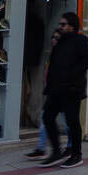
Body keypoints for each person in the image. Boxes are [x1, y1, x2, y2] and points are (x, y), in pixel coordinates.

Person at [39, 12, 88, 168]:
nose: (60, 27)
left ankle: (76, 154)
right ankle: (56, 151)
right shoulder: (60, 41)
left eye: (63, 24)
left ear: (72, 26)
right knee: (48, 117)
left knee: (72, 122)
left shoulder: (81, 41)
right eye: (60, 24)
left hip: (71, 89)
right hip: (56, 89)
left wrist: (72, 75)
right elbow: (54, 63)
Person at [26, 28, 67, 159]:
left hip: (62, 94)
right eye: (53, 37)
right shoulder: (53, 54)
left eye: (57, 37)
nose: (53, 40)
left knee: (68, 123)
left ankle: (69, 147)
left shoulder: (64, 55)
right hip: (53, 93)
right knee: (46, 119)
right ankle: (42, 147)